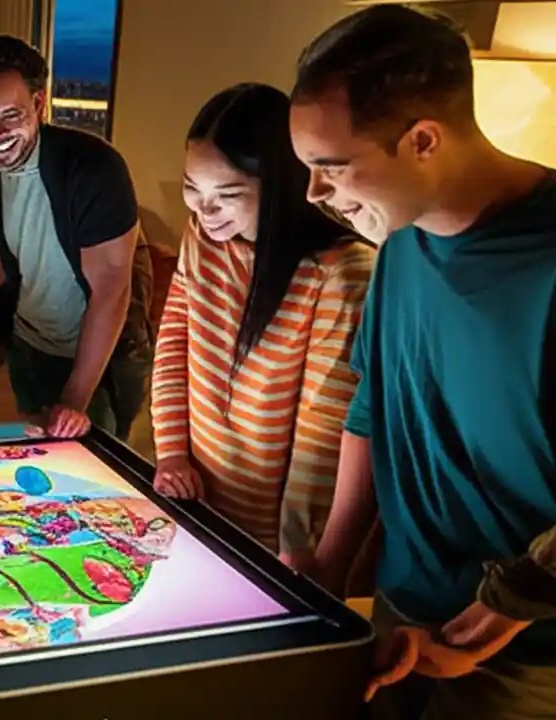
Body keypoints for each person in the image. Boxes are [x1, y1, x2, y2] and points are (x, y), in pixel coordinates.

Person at [287, 6, 556, 716]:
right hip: (401, 609)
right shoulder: (399, 244)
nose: (316, 195)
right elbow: (373, 409)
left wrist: (510, 606)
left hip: (525, 657)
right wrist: (330, 562)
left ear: (423, 140)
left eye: (331, 168)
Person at [150, 83, 373, 556]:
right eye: (192, 189)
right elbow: (173, 345)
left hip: (275, 536)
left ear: (280, 187)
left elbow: (323, 432)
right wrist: (171, 454)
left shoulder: (340, 271)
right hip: (194, 495)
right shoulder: (204, 236)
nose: (204, 210)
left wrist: (297, 552)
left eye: (226, 194)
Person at [0, 35, 154, 440]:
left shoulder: (93, 168)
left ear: (39, 104)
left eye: (11, 115)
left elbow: (112, 286)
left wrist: (76, 398)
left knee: (100, 475)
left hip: (100, 357)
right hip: (29, 342)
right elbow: (4, 241)